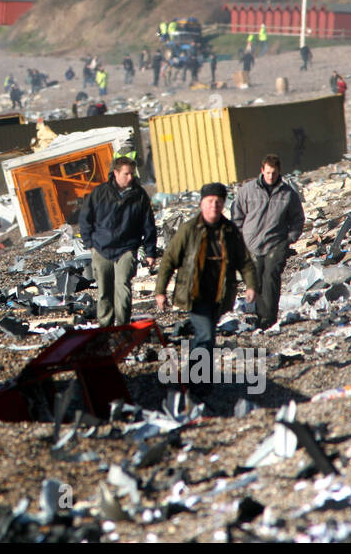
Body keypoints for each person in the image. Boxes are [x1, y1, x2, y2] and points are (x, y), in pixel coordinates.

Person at [155, 182, 257, 402]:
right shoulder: (189, 230)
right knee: (206, 336)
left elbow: (244, 260)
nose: (214, 206)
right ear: (202, 204)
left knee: (204, 338)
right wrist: (160, 291)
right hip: (195, 293)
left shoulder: (229, 231)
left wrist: (251, 285)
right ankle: (200, 385)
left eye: (218, 202)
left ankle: (188, 377)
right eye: (210, 201)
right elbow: (169, 261)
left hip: (219, 295)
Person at [78, 156, 158, 328]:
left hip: (127, 248)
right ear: (115, 173)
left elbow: (148, 224)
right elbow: (85, 219)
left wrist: (150, 252)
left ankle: (123, 326)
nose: (130, 177)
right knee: (104, 290)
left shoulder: (139, 195)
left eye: (132, 174)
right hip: (101, 248)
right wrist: (90, 244)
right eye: (126, 174)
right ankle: (105, 327)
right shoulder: (99, 193)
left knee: (123, 286)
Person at [232, 155, 305, 330]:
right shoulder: (247, 191)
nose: (270, 176)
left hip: (276, 244)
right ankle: (260, 316)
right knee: (256, 281)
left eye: (273, 173)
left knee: (271, 278)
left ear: (279, 172)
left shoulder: (288, 194)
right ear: (262, 171)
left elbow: (298, 218)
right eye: (267, 172)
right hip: (252, 244)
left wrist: (290, 238)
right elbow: (237, 214)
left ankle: (269, 319)